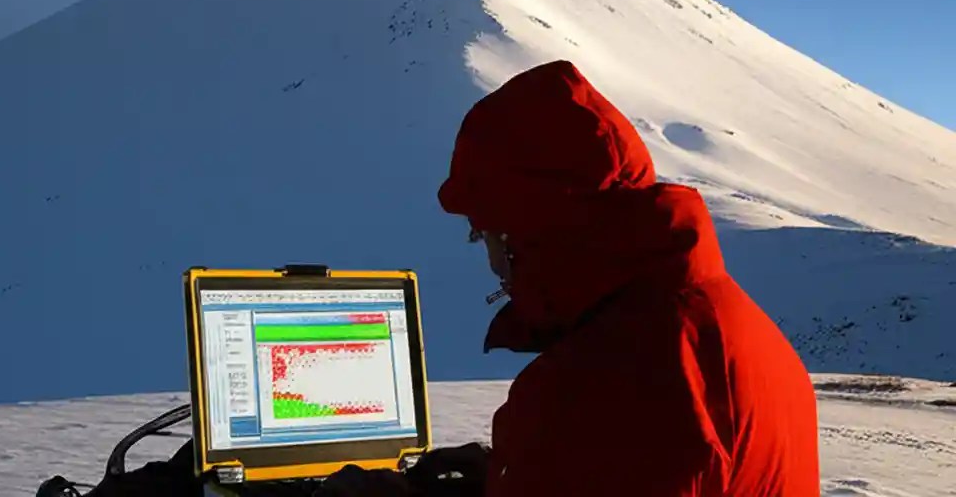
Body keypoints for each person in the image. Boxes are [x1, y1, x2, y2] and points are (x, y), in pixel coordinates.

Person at [323, 59, 821, 496]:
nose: (493, 263)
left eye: (485, 236)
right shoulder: (732, 326)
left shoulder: (598, 389)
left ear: (525, 234)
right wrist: (504, 478)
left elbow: (616, 443)